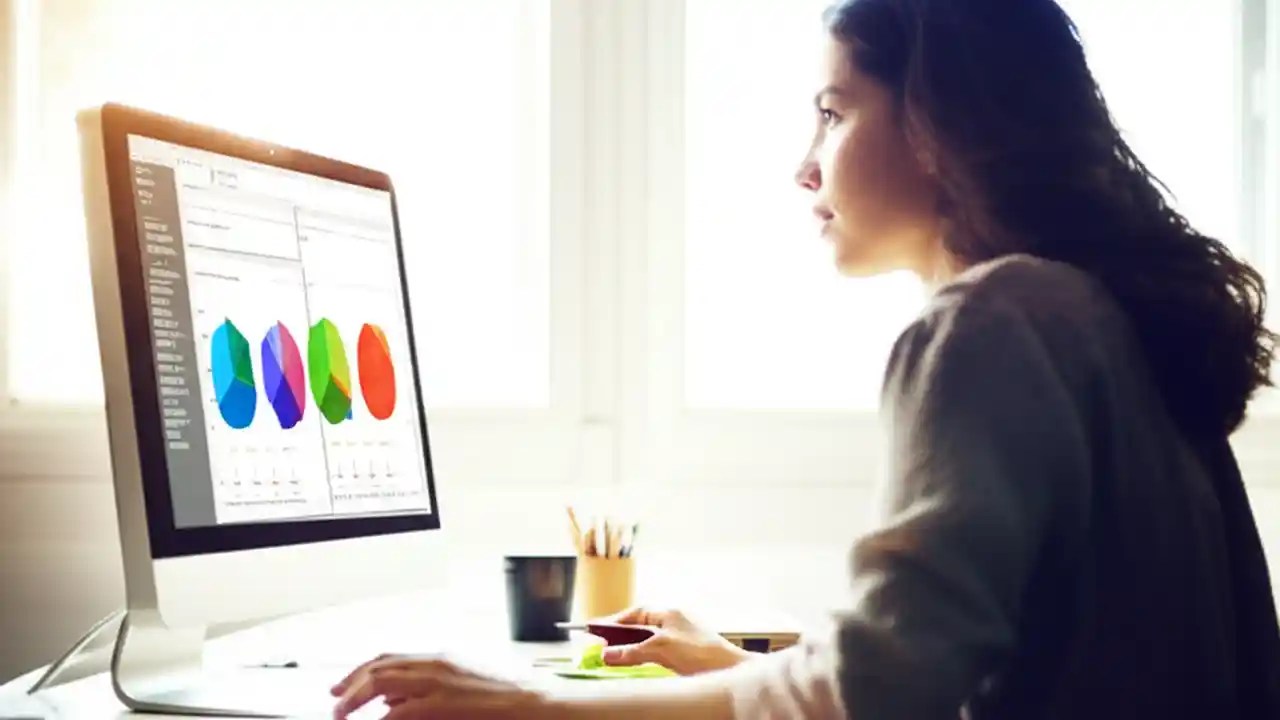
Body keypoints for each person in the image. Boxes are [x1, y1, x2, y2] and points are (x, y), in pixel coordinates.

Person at [331, 0, 1280, 717]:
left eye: (833, 112)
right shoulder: (1110, 318)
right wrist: (740, 670)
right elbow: (931, 679)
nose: (804, 165)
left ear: (938, 122)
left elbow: (873, 697)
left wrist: (535, 707)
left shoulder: (992, 322)